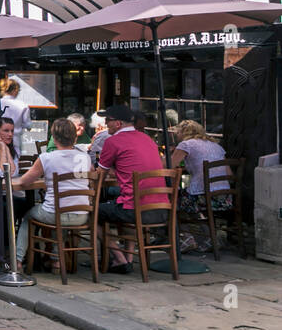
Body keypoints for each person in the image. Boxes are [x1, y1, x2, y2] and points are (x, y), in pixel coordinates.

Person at [12, 118, 92, 274]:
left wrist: (9, 181)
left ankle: (17, 260)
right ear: (75, 138)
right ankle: (56, 260)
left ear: (54, 139)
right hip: (82, 215)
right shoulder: (85, 157)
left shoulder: (47, 158)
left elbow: (24, 182)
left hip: (55, 214)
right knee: (59, 212)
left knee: (29, 216)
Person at [97, 105, 168, 274]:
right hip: (162, 208)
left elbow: (98, 176)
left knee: (91, 213)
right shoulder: (147, 138)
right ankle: (127, 259)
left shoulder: (113, 141)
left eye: (108, 120)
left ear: (118, 123)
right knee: (123, 202)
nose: (105, 123)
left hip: (135, 209)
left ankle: (119, 258)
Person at [170, 120, 230, 252]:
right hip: (224, 197)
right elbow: (229, 172)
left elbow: (168, 166)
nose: (176, 135)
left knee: (173, 200)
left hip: (202, 196)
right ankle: (210, 238)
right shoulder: (216, 146)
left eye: (177, 132)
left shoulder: (186, 144)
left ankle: (187, 238)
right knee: (189, 201)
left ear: (183, 132)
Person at [0, 78, 31, 154]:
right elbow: (28, 125)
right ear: (15, 90)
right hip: (15, 140)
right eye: (18, 90)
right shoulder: (23, 105)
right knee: (13, 163)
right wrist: (19, 125)